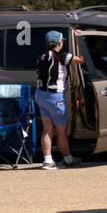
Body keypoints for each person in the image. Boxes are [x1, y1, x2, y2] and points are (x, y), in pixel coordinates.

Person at [35, 30, 81, 169]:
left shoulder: (42, 56)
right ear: (59, 43)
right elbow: (81, 59)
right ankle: (68, 159)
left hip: (40, 94)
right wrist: (78, 40)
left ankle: (48, 161)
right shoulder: (60, 55)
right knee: (61, 131)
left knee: (47, 129)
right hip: (55, 96)